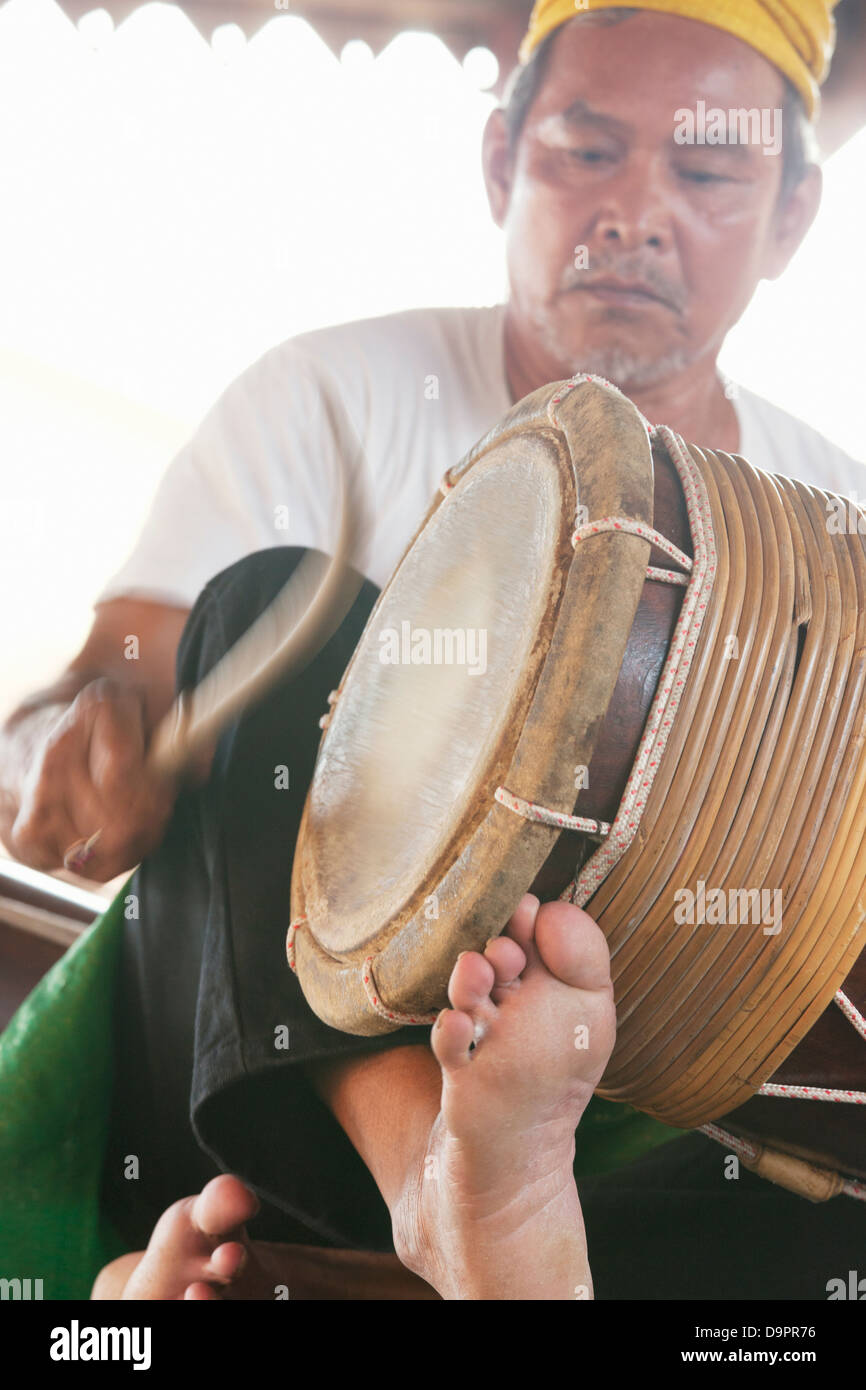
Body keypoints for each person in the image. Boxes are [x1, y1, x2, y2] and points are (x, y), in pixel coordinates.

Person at [4, 0, 866, 1299]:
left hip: (612, 1195)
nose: (636, 212)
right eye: (587, 151)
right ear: (501, 161)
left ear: (790, 213)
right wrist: (56, 760)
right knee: (265, 601)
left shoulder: (829, 532)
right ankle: (441, 1200)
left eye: (704, 172)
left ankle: (411, 1264)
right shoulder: (330, 394)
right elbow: (87, 700)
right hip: (263, 1106)